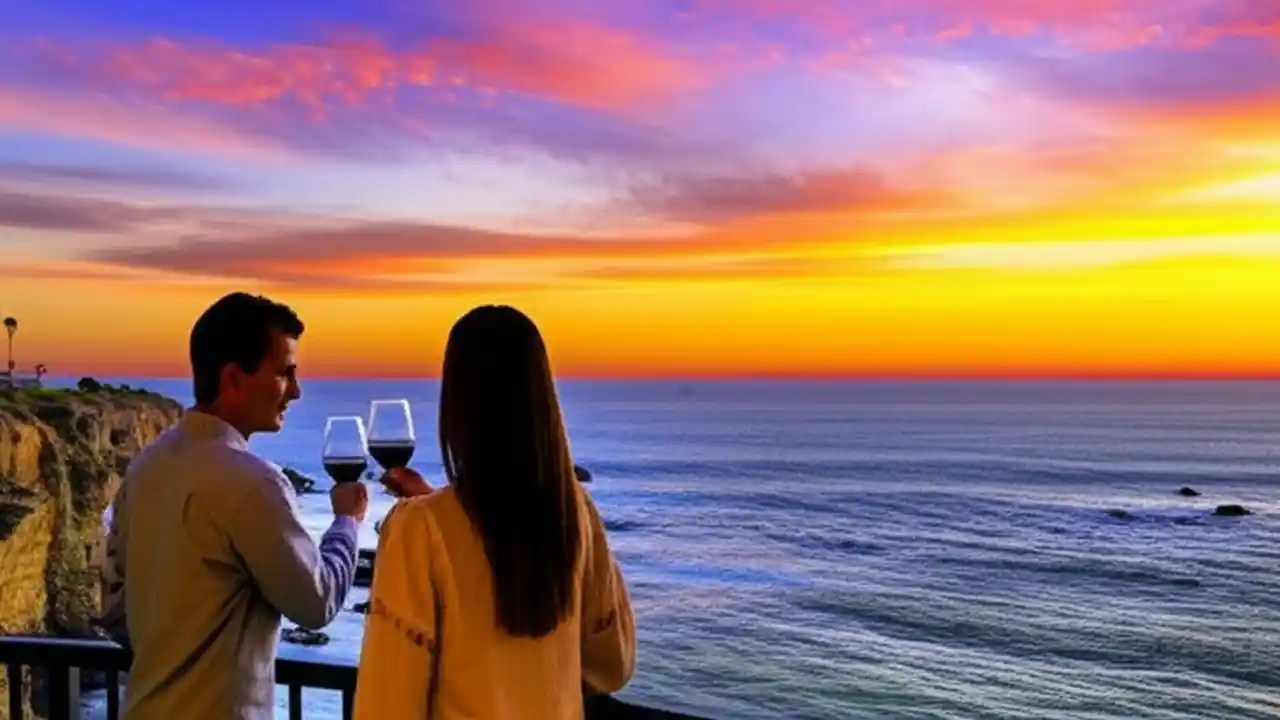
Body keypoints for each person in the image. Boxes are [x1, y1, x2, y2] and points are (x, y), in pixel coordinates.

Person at [354, 305, 636, 718]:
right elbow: (612, 664)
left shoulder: (418, 530)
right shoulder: (574, 513)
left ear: (457, 404)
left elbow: (387, 705)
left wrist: (430, 512)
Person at [101, 291, 368, 719]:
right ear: (234, 378)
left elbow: (116, 609)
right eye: (285, 373)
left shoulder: (148, 466)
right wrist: (347, 522)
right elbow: (316, 602)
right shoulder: (253, 483)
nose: (296, 391)